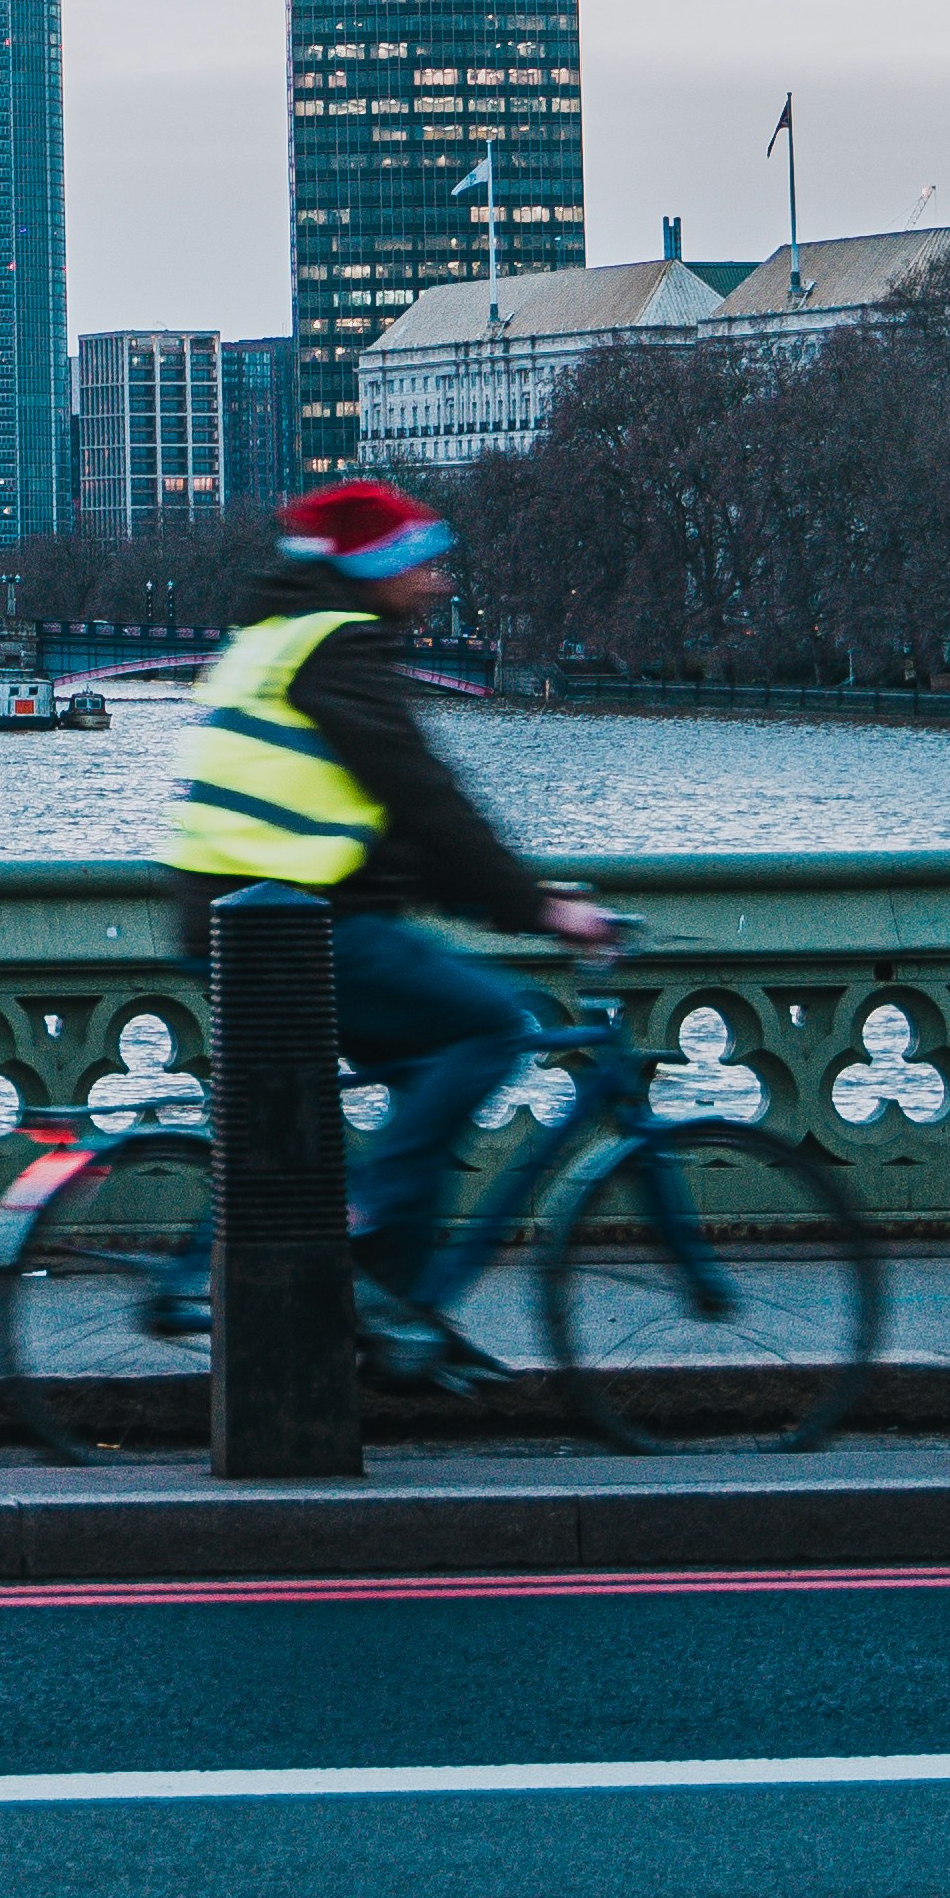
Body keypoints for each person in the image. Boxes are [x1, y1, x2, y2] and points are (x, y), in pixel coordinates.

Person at [158, 477, 616, 1379]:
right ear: (376, 568)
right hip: (292, 922)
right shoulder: (337, 646)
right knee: (493, 1028)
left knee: (414, 1076)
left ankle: (390, 1316)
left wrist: (495, 901)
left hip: (234, 913)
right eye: (421, 563)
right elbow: (422, 793)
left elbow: (388, 826)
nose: (438, 582)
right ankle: (361, 1227)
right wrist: (543, 909)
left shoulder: (272, 636)